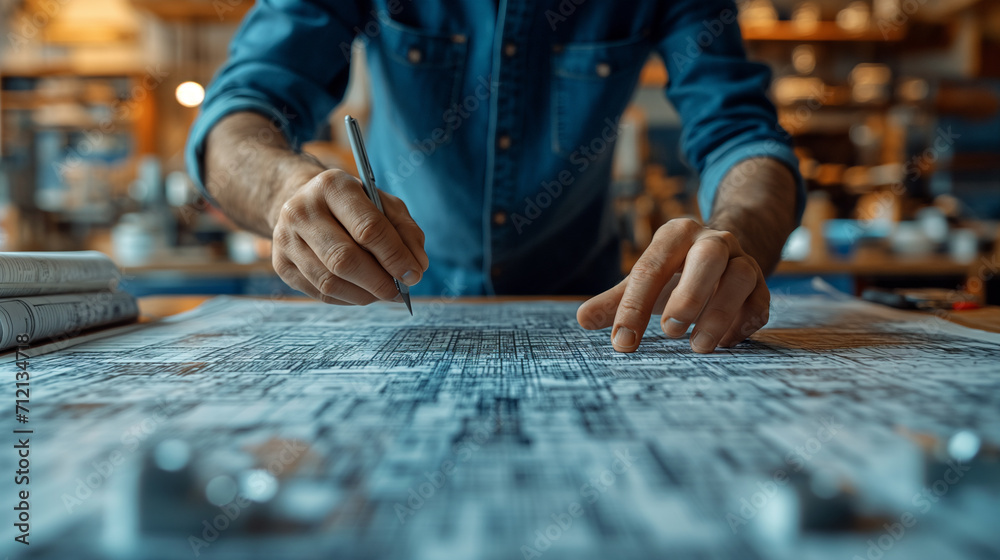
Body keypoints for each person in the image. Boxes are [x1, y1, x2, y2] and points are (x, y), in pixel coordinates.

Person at [187, 0, 804, 354]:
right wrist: (282, 190)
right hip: (390, 317)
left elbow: (742, 134)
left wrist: (736, 232)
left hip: (589, 322)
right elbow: (236, 116)